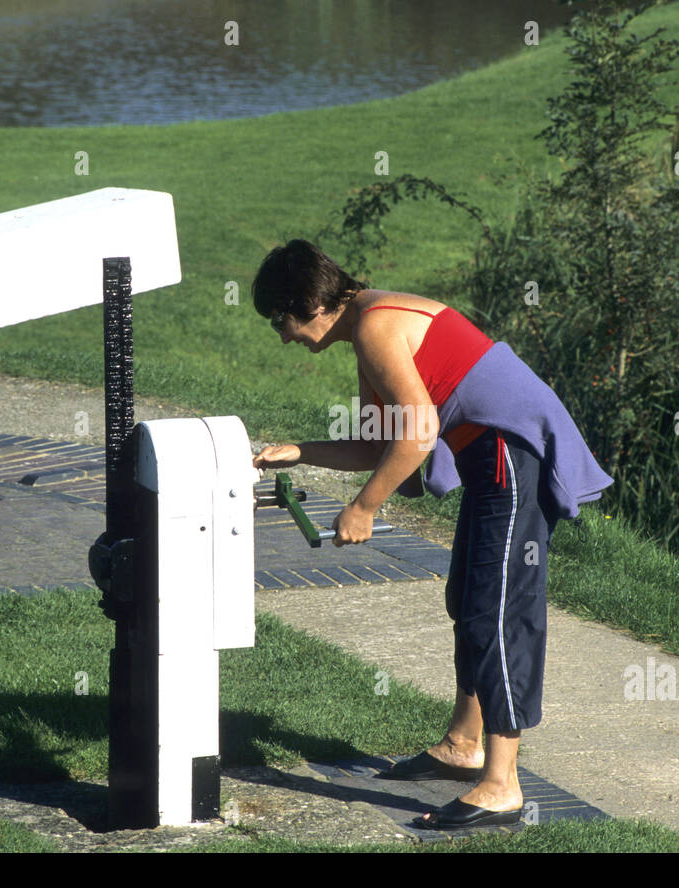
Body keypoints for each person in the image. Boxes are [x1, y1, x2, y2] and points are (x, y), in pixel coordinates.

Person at [250, 239, 613, 829]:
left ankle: (502, 785)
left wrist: (364, 507)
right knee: (467, 598)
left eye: (280, 319)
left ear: (311, 303)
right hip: (489, 460)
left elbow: (416, 434)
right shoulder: (368, 328)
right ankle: (464, 745)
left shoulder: (375, 328)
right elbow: (377, 442)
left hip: (511, 454)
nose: (282, 334)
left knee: (495, 610)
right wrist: (299, 452)